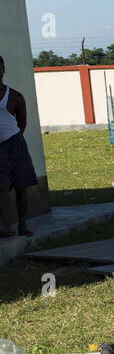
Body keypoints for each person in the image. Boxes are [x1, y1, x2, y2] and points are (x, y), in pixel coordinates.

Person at [0, 55, 39, 239]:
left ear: (3, 70)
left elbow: (21, 123)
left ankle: (23, 224)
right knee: (2, 187)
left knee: (22, 186)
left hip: (15, 144)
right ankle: (7, 226)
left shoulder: (15, 96)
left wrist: (14, 141)